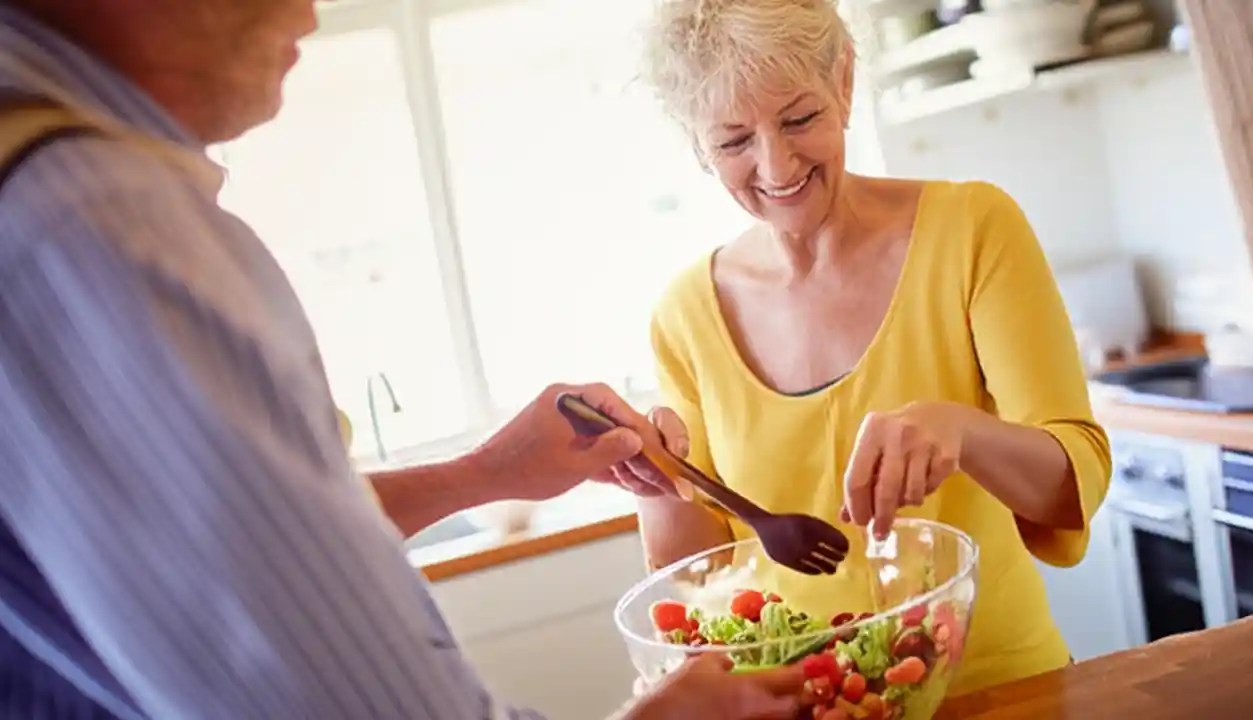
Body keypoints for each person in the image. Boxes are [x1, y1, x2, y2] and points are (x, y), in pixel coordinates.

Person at [0, 1, 805, 718]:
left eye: (798, 119)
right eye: (734, 137)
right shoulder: (103, 225)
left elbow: (215, 545)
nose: (309, 16)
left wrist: (484, 474)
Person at [629, 0, 1113, 697]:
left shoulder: (972, 229)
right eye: (734, 141)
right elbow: (698, 581)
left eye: (799, 119)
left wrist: (962, 431)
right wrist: (656, 477)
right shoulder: (684, 315)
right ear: (696, 144)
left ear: (845, 81)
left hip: (1002, 693)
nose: (777, 164)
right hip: (805, 705)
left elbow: (1077, 485)